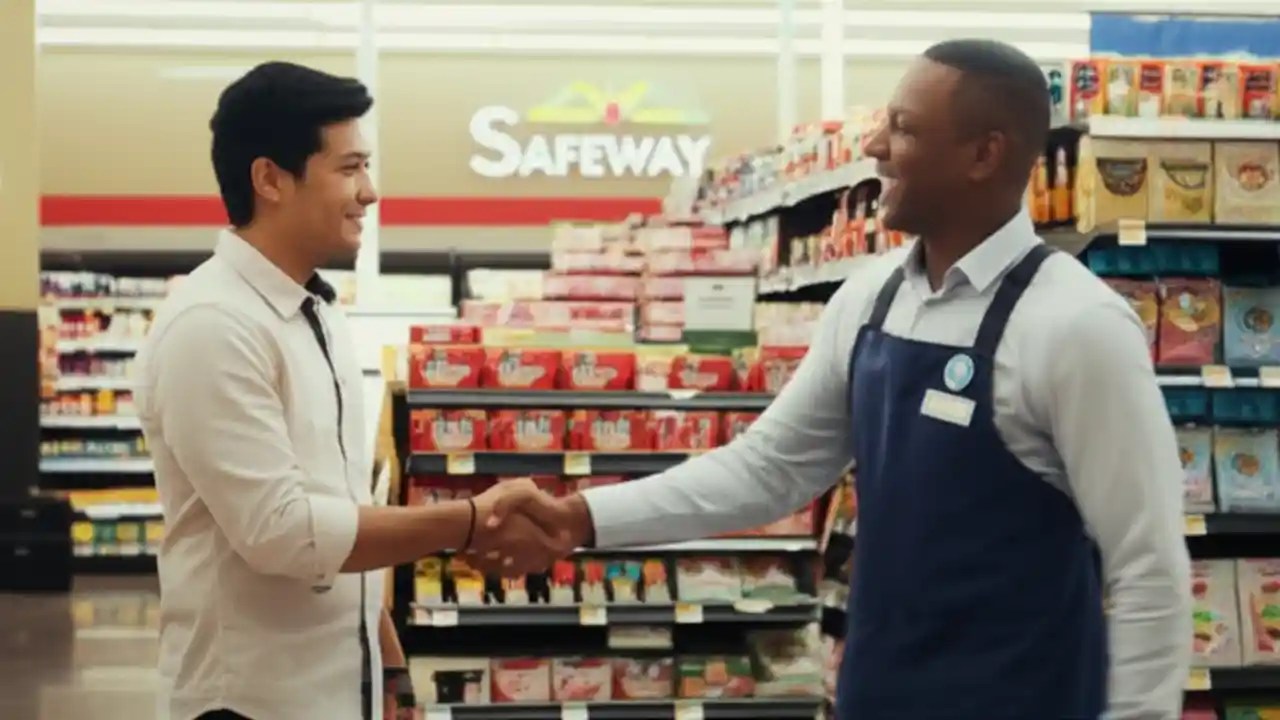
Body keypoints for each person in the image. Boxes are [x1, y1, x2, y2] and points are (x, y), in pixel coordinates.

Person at [498, 39, 1194, 719]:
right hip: (878, 690)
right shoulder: (871, 298)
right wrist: (582, 518)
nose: (874, 148)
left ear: (985, 154)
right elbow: (771, 469)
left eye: (904, 128)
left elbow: (1148, 568)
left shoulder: (1077, 326)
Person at [134, 62, 569, 720]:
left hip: (342, 690)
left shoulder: (317, 315)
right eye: (349, 168)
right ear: (270, 179)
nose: (370, 192)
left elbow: (345, 511)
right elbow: (285, 535)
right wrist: (472, 518)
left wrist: (388, 667)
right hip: (252, 701)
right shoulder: (212, 327)